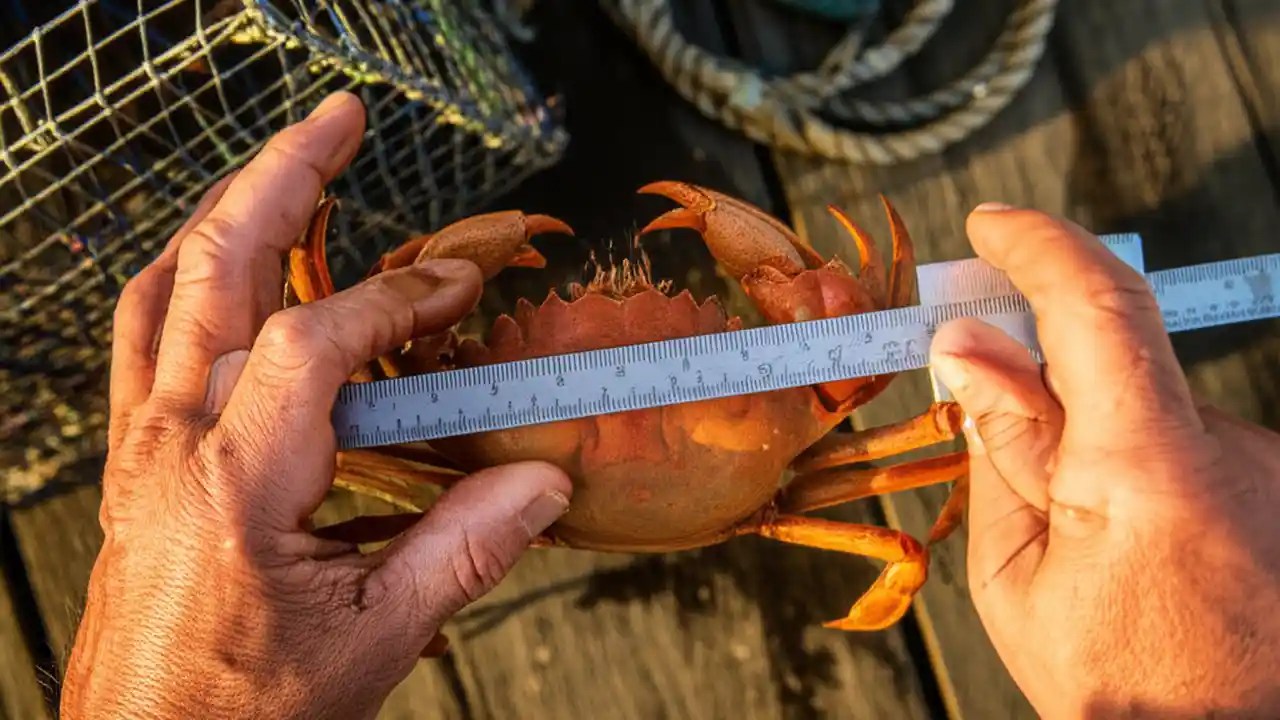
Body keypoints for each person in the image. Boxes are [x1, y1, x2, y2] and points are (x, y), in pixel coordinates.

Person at [60, 92, 1280, 719]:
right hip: (774, 494)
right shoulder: (813, 382)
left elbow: (346, 352)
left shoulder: (432, 421)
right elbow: (874, 383)